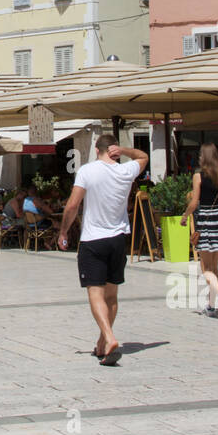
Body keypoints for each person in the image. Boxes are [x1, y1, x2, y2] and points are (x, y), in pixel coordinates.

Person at [57, 135, 150, 366]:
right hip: (118, 239)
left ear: (97, 149)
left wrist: (63, 232)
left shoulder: (87, 171)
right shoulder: (126, 170)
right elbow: (144, 156)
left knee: (95, 293)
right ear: (113, 149)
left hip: (93, 240)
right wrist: (125, 150)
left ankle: (109, 337)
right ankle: (102, 343)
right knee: (112, 295)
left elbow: (72, 205)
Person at [180, 143, 218, 318]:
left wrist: (185, 217)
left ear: (203, 157)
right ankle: (212, 305)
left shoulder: (198, 176)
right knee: (215, 265)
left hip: (206, 221)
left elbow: (194, 202)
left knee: (206, 267)